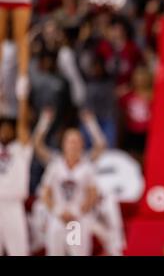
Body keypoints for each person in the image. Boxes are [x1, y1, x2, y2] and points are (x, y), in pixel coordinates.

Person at [34, 109, 106, 256]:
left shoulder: (87, 165)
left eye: (76, 141)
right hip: (58, 216)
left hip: (77, 218)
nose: (73, 145)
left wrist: (91, 124)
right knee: (54, 252)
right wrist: (44, 122)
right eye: (70, 141)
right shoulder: (55, 163)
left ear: (82, 144)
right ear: (63, 143)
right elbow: (46, 191)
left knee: (77, 252)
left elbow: (93, 193)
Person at [0, 76, 32, 256]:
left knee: (19, 251)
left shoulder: (20, 149)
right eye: (2, 128)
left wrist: (22, 97)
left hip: (13, 205)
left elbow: (23, 125)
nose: (5, 131)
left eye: (8, 128)